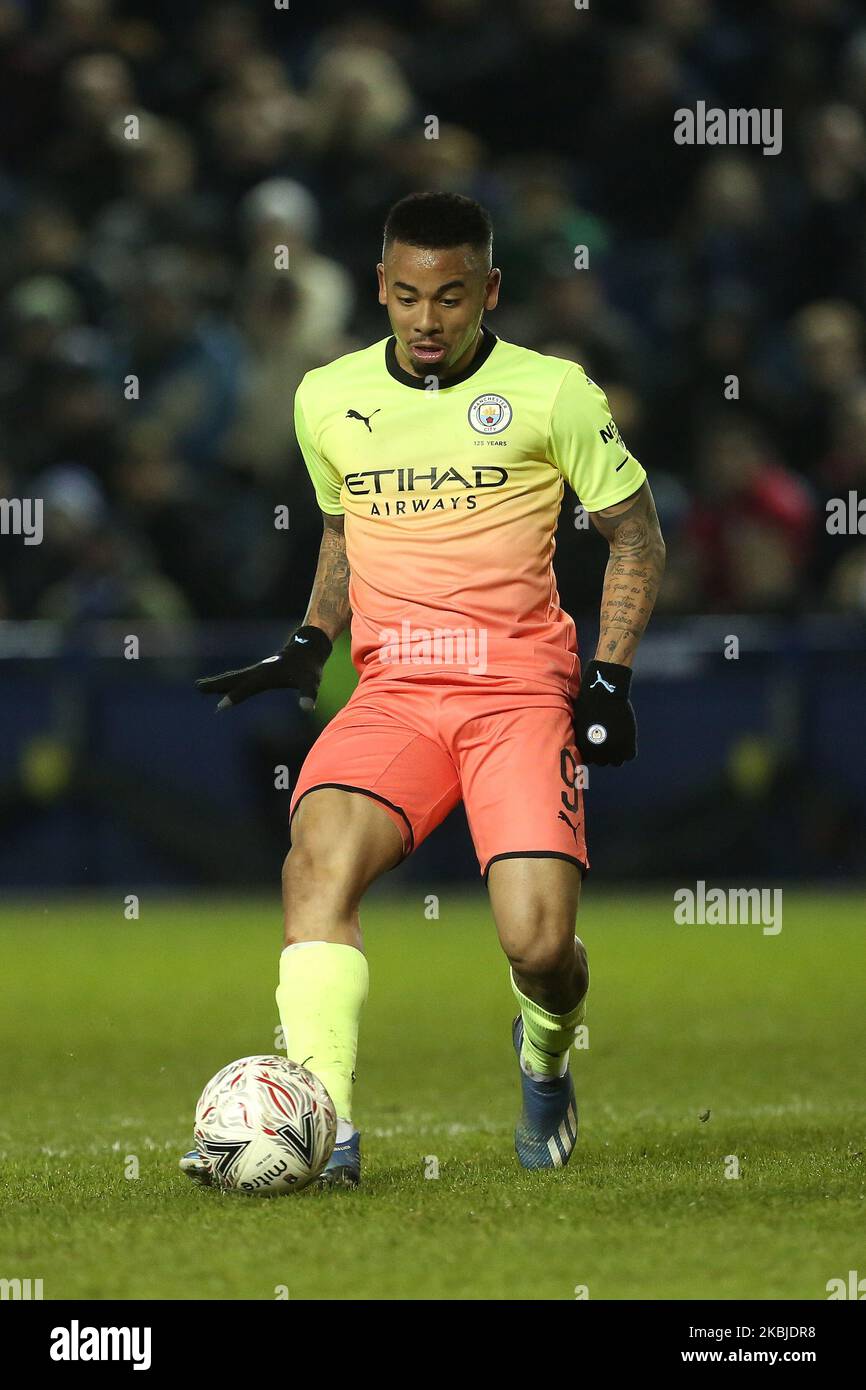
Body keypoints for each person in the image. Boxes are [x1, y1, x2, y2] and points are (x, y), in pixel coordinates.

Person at [182, 192, 665, 1187]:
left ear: (487, 290)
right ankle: (330, 1128)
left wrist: (608, 677)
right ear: (379, 290)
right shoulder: (326, 395)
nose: (427, 320)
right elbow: (343, 531)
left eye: (450, 297)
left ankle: (544, 1053)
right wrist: (308, 638)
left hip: (515, 697)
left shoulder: (554, 393)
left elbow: (635, 533)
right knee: (315, 865)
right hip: (393, 693)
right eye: (406, 297)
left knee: (538, 944)